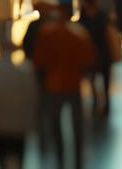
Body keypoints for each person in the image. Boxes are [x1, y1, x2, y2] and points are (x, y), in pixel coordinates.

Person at [33, 9, 96, 169]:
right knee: (77, 125)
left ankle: (60, 160)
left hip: (53, 85)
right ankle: (78, 161)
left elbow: (39, 61)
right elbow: (88, 59)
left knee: (55, 125)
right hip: (74, 84)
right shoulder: (78, 34)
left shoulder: (47, 35)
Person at [0, 40, 38, 169]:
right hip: (18, 126)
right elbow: (31, 97)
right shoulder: (23, 73)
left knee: (1, 159)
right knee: (18, 158)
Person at [77, 0, 114, 116]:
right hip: (103, 52)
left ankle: (95, 103)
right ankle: (107, 103)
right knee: (105, 80)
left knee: (92, 78)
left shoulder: (83, 17)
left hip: (92, 53)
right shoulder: (102, 15)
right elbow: (109, 34)